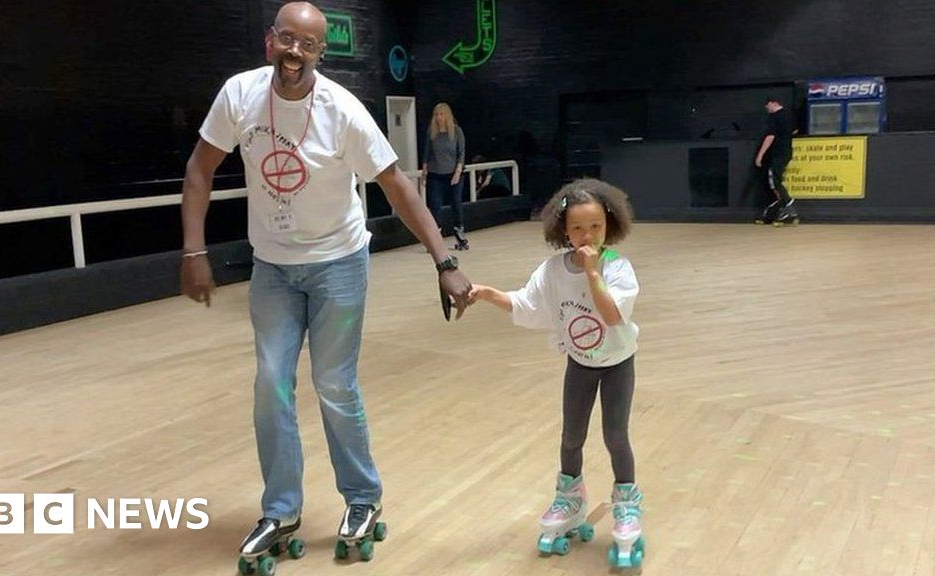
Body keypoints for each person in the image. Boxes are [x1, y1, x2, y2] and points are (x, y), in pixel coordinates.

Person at [178, 2, 472, 567]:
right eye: (288, 39)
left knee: (334, 383)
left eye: (308, 44)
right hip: (273, 268)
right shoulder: (239, 95)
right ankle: (281, 509)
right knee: (271, 384)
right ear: (270, 42)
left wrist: (444, 261)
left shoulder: (343, 110)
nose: (296, 52)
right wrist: (194, 249)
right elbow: (200, 168)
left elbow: (396, 185)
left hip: (339, 264)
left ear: (320, 52)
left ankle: (362, 498)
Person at [468, 178, 645, 568]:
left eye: (595, 226)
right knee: (571, 437)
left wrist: (593, 273)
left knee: (615, 436)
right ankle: (570, 498)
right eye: (578, 227)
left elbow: (612, 315)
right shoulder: (552, 271)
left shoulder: (617, 267)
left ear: (609, 225)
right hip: (580, 363)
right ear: (563, 229)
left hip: (617, 363)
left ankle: (627, 503)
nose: (587, 235)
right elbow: (526, 303)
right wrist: (487, 293)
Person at [422, 102, 468, 250]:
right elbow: (427, 152)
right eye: (436, 115)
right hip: (435, 174)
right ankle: (435, 238)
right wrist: (424, 170)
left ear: (447, 115)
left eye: (441, 114)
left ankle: (459, 234)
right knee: (435, 205)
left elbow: (461, 153)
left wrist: (458, 171)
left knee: (456, 203)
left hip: (454, 174)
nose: (438, 117)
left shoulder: (457, 131)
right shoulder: (432, 132)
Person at [755, 96, 798, 225]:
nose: (766, 108)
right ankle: (776, 210)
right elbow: (795, 130)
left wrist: (760, 155)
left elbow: (770, 136)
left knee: (774, 181)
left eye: (767, 105)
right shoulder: (789, 115)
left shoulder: (775, 117)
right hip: (786, 152)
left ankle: (789, 208)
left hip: (778, 153)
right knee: (775, 181)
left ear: (774, 103)